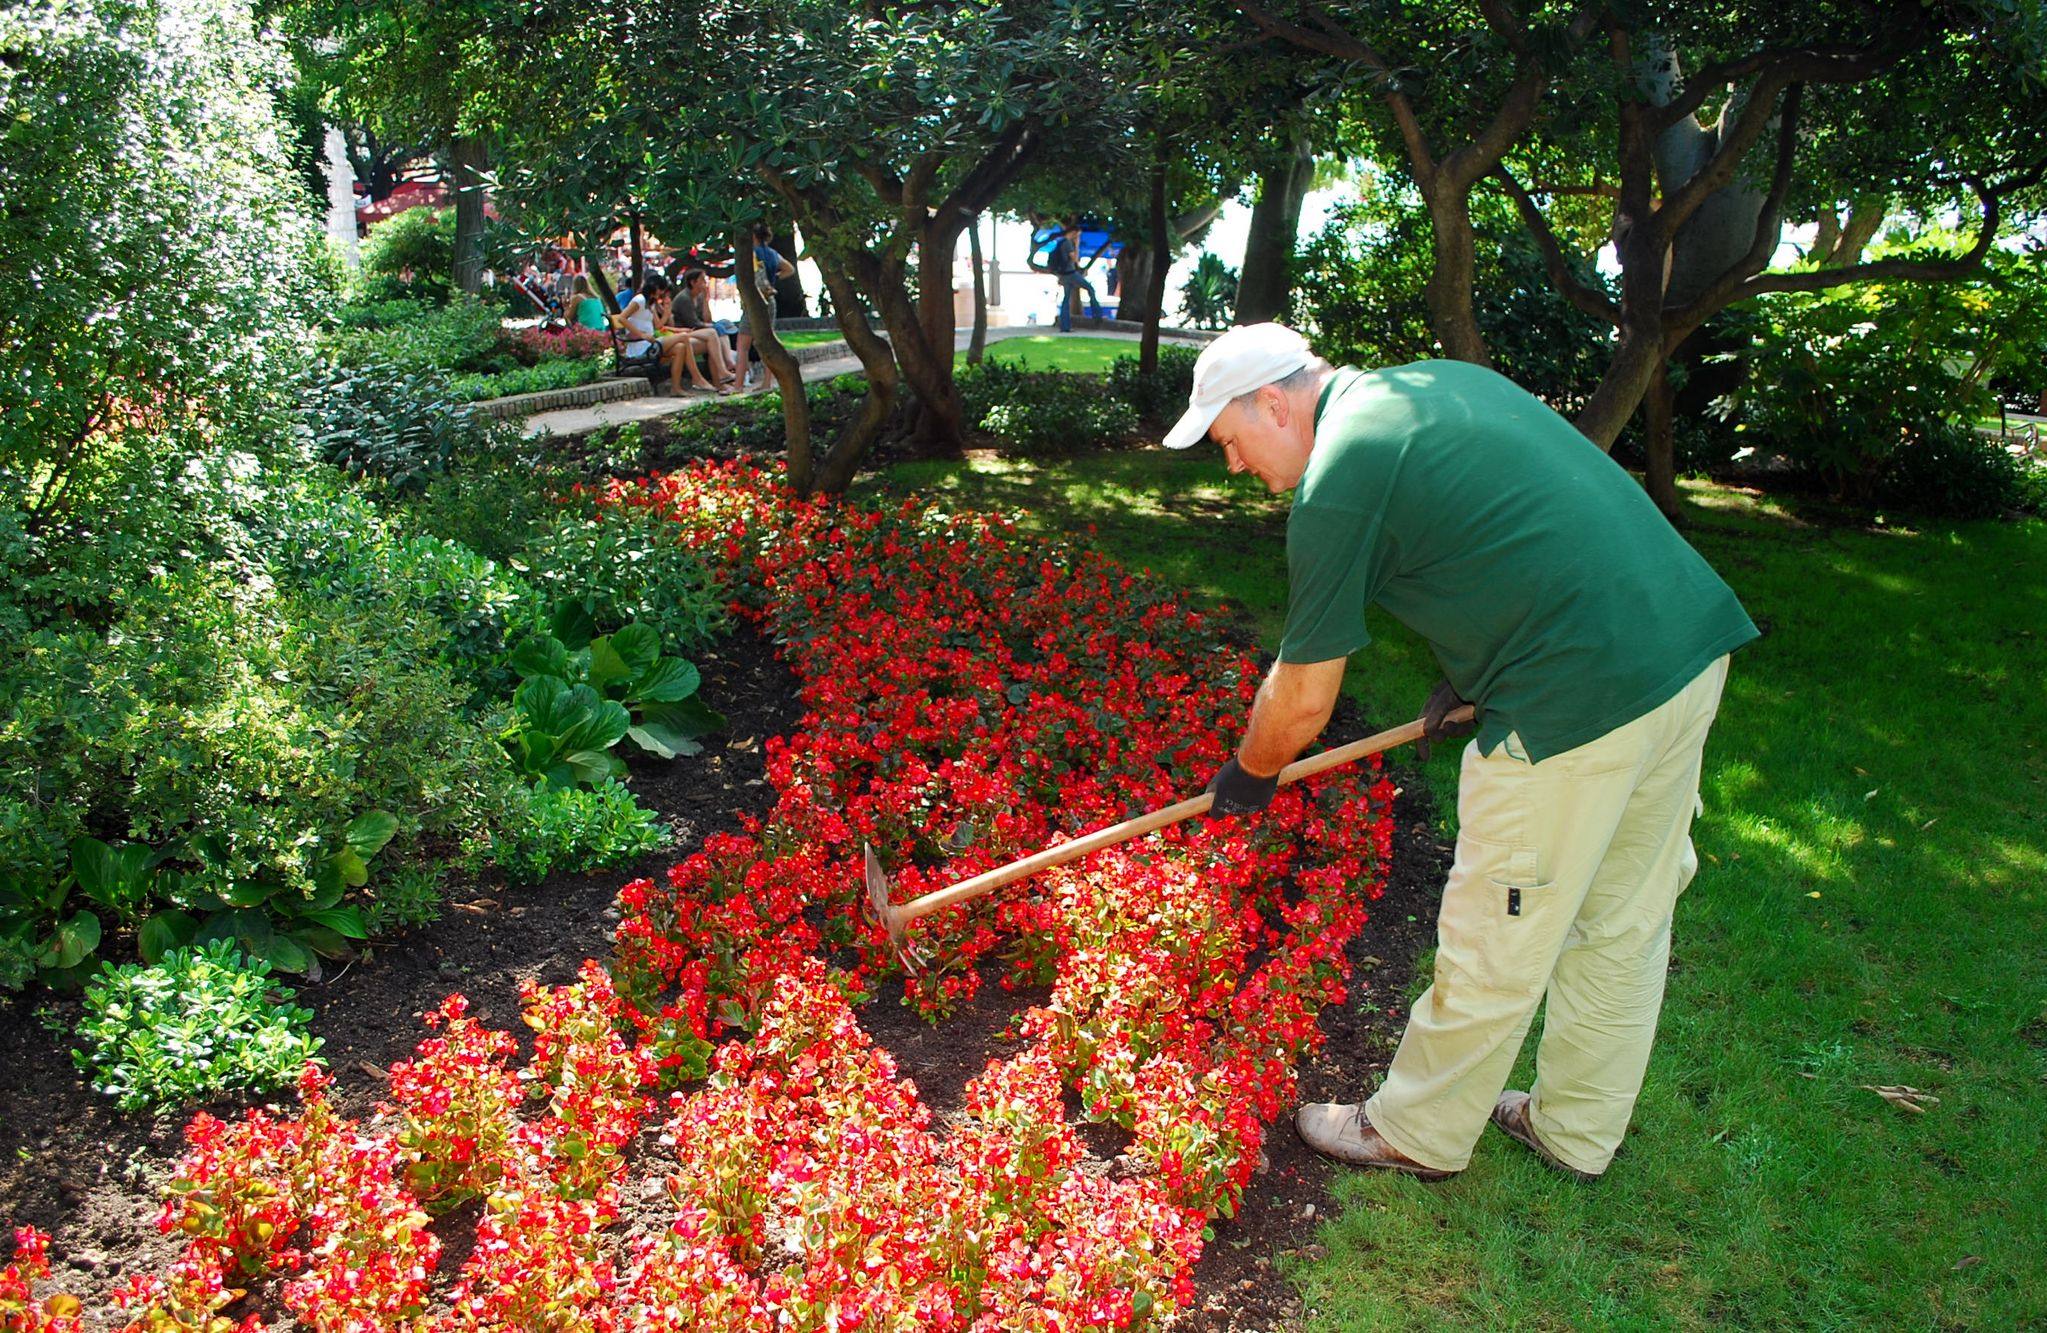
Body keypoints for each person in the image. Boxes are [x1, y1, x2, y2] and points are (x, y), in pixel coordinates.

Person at [1166, 323, 1759, 1183]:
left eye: (1229, 441)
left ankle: (1416, 1130)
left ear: (1273, 401)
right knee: (1622, 917)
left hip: (1575, 697)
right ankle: (1576, 1128)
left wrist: (1250, 771)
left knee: (1499, 926)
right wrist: (1475, 673)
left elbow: (1301, 695)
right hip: (1680, 651)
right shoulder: (1431, 384)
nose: (1233, 465)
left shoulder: (1337, 477)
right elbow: (1517, 526)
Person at [613, 275, 720, 395]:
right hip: (641, 346)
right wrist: (641, 335)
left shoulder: (650, 303)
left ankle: (676, 388)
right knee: (684, 337)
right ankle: (697, 378)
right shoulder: (639, 300)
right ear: (655, 287)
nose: (661, 294)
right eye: (661, 290)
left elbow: (658, 325)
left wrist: (667, 313)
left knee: (680, 347)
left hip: (650, 343)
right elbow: (622, 318)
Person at [733, 223, 796, 391]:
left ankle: (738, 385)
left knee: (742, 346)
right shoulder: (772, 254)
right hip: (770, 299)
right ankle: (766, 383)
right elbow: (789, 269)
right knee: (768, 343)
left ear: (752, 236)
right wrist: (775, 278)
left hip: (754, 301)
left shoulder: (750, 254)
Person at [1048, 219, 1100, 333]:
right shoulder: (1067, 243)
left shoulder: (1060, 243)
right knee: (1090, 289)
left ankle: (1065, 327)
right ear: (1073, 232)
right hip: (1071, 274)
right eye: (1077, 235)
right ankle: (1097, 316)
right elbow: (1075, 259)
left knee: (1066, 300)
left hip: (1064, 275)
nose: (1077, 237)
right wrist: (1076, 245)